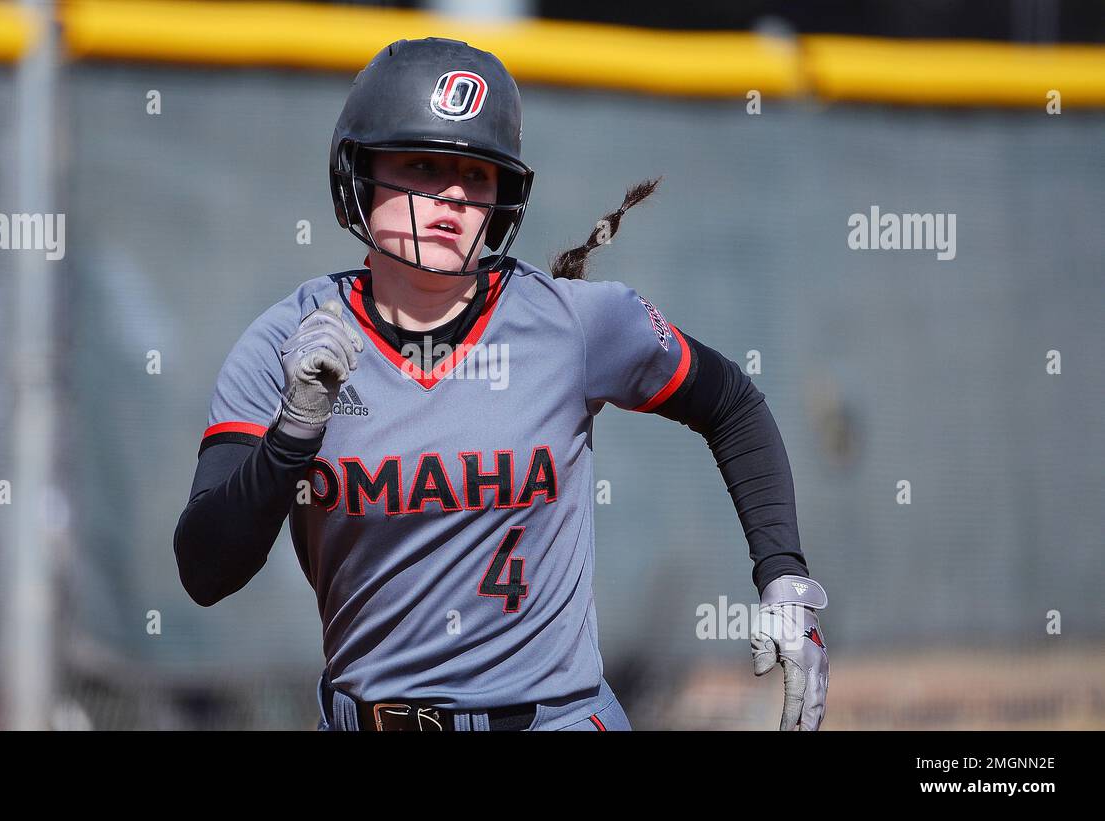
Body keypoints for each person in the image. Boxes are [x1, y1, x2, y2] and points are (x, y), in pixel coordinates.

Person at [174, 37, 829, 731]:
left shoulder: (574, 323)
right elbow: (205, 571)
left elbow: (731, 402)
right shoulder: (289, 341)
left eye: (477, 175)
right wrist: (291, 436)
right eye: (423, 166)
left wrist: (784, 578)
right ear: (359, 173)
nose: (454, 194)